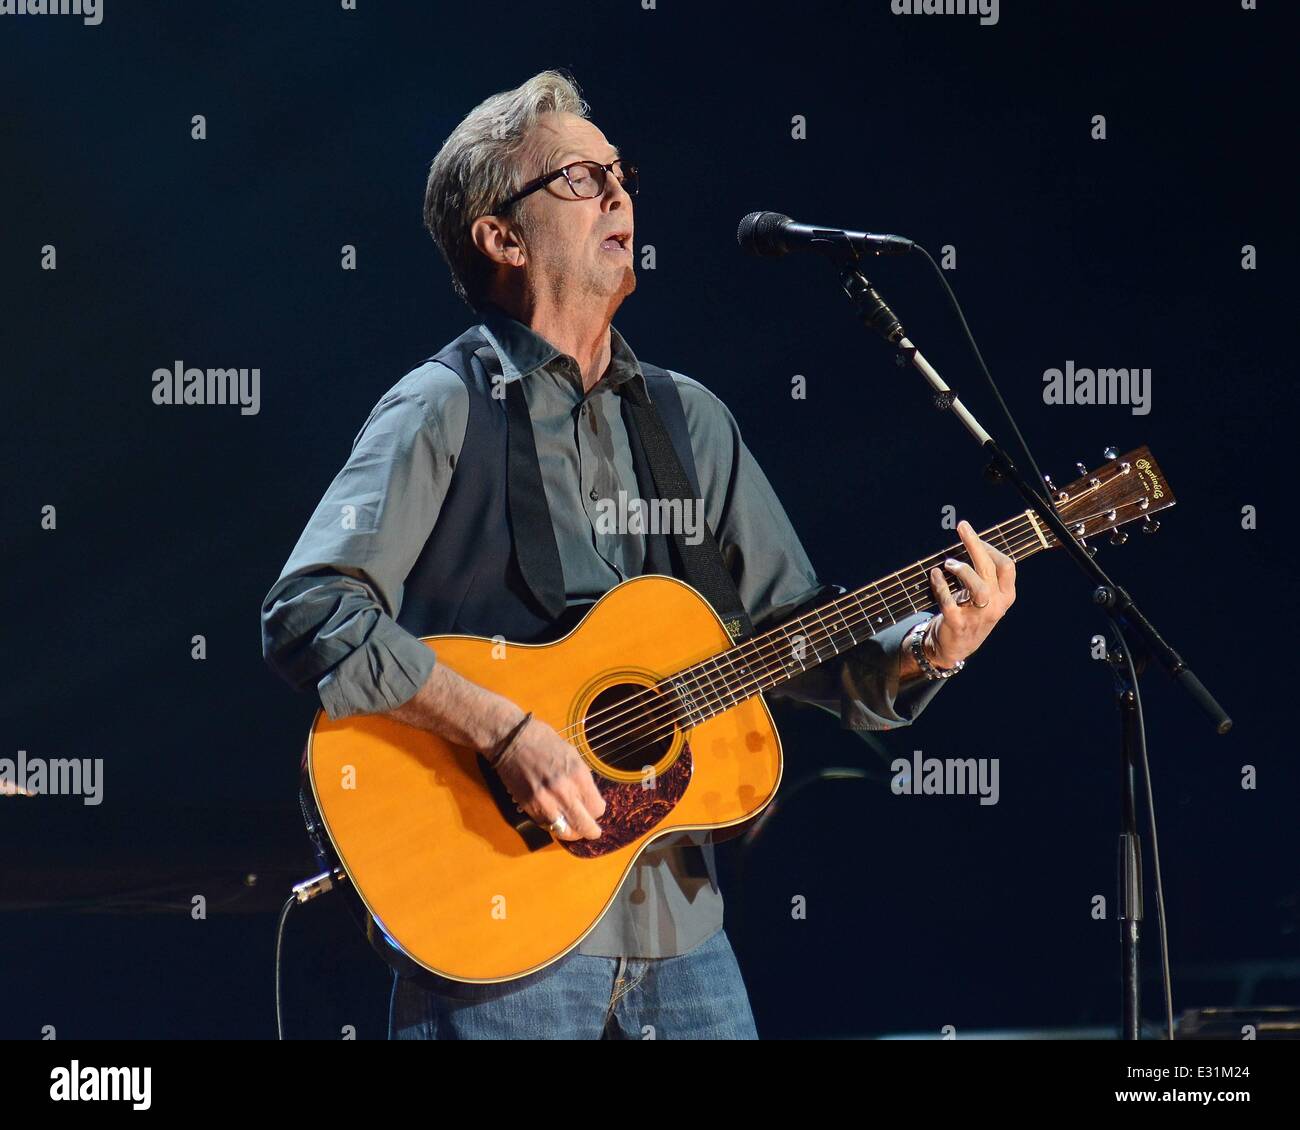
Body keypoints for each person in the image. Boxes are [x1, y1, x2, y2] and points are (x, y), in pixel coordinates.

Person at [260, 69, 1016, 1040]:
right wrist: (503, 728)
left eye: (621, 174)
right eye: (581, 177)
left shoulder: (688, 416)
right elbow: (311, 610)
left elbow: (797, 638)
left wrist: (931, 647)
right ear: (500, 233)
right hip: (498, 929)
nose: (619, 196)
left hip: (680, 928)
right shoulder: (441, 406)